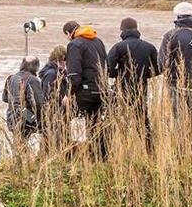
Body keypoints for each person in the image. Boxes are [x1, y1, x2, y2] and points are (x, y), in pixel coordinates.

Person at [107, 17, 160, 151]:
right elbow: (159, 68)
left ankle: (116, 147)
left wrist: (118, 74)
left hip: (122, 88)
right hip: (142, 88)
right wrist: (145, 75)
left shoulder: (118, 47)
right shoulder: (149, 47)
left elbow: (108, 69)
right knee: (142, 119)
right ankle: (149, 149)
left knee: (114, 117)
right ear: (136, 29)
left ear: (122, 30)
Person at [157, 2, 192, 125]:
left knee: (179, 119)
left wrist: (171, 74)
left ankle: (181, 138)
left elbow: (161, 64)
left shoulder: (170, 35)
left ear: (177, 17)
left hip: (176, 85)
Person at [63, 21, 108, 159]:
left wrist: (68, 94)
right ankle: (101, 154)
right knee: (95, 122)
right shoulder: (98, 41)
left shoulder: (74, 44)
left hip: (85, 91)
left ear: (68, 33)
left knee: (64, 117)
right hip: (101, 89)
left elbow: (74, 74)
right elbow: (106, 64)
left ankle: (68, 152)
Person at [3, 56, 46, 140]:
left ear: (22, 65)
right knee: (50, 128)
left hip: (11, 117)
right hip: (26, 117)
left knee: (19, 143)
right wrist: (44, 118)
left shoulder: (11, 78)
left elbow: (4, 98)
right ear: (36, 67)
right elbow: (38, 104)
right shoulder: (33, 80)